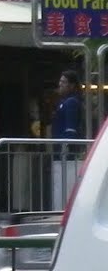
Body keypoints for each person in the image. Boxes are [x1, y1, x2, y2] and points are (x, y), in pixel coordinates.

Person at [52, 69, 85, 210]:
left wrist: (65, 148)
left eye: (64, 82)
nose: (60, 84)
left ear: (72, 85)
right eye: (60, 81)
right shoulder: (64, 102)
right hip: (62, 149)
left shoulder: (71, 102)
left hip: (66, 151)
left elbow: (70, 129)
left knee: (65, 182)